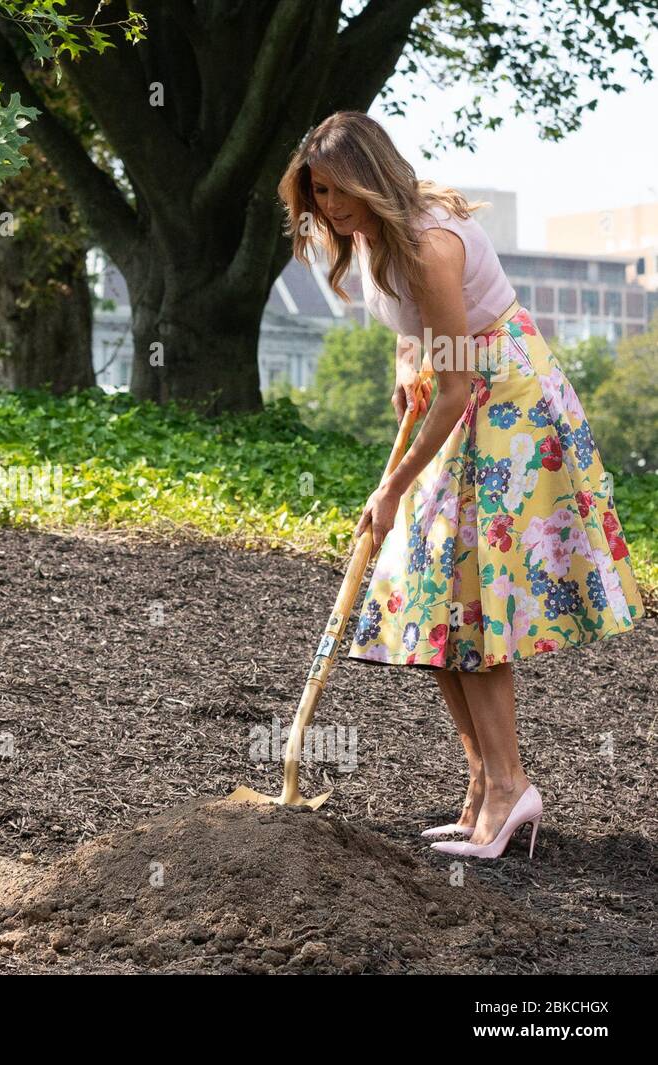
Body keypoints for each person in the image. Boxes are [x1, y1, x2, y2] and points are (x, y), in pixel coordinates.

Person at [276, 110, 645, 859]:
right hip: (464, 393)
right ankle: (482, 786)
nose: (329, 207)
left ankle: (510, 788)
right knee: (436, 601)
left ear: (372, 176)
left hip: (506, 409)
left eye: (338, 189)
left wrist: (392, 491)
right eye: (317, 193)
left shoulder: (431, 245)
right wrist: (406, 364)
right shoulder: (373, 237)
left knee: (474, 604)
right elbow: (425, 338)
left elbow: (461, 383)